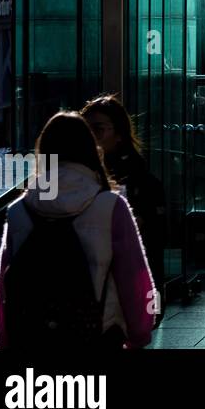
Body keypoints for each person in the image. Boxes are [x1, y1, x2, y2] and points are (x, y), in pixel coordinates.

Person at [0, 111, 157, 349]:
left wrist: (4, 339)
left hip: (32, 335)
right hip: (98, 334)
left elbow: (3, 287)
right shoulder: (111, 207)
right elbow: (135, 278)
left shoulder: (18, 211)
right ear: (91, 150)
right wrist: (139, 332)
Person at [80, 93, 167, 290]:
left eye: (98, 129)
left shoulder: (140, 179)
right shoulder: (73, 174)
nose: (90, 137)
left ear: (119, 134)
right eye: (85, 130)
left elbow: (153, 238)